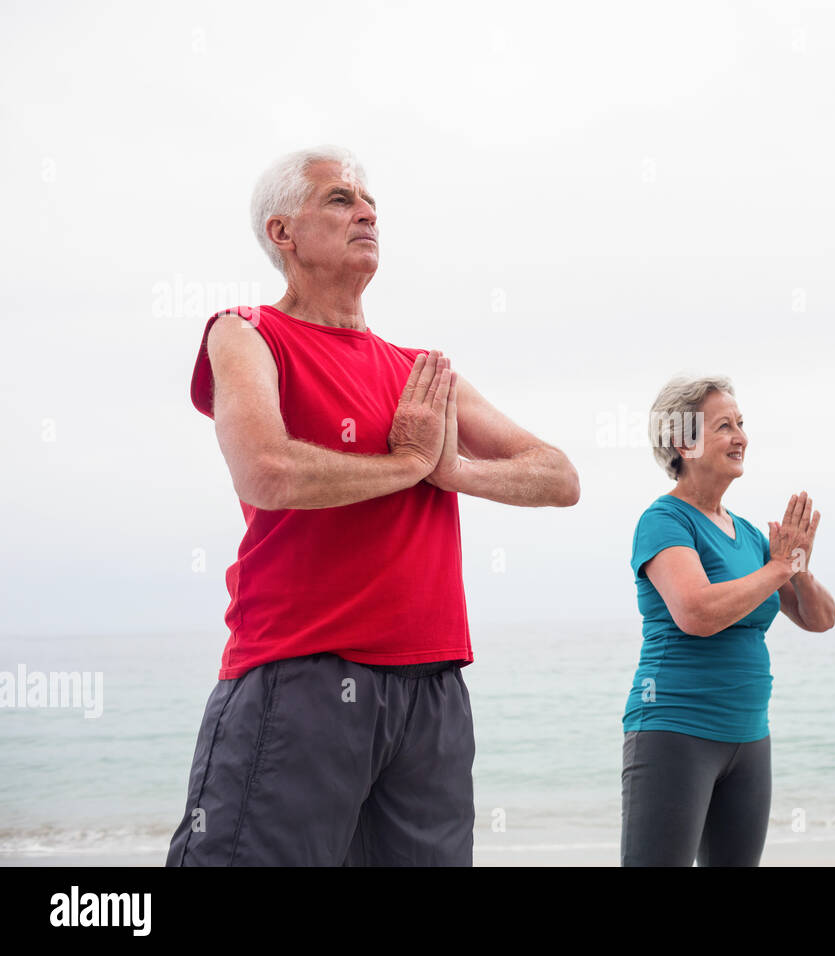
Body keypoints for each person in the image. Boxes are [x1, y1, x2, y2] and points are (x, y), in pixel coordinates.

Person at [166, 145, 580, 866]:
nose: (366, 212)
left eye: (370, 204)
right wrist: (405, 466)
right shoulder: (245, 332)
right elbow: (266, 471)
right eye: (339, 199)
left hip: (434, 689)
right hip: (301, 675)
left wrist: (447, 470)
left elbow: (558, 476)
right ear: (281, 233)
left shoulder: (420, 373)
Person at [621, 375, 835, 866]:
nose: (741, 436)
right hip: (674, 732)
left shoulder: (747, 534)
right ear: (684, 441)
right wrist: (779, 567)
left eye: (741, 423)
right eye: (724, 426)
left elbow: (819, 618)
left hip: (748, 739)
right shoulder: (664, 521)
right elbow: (696, 612)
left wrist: (797, 566)